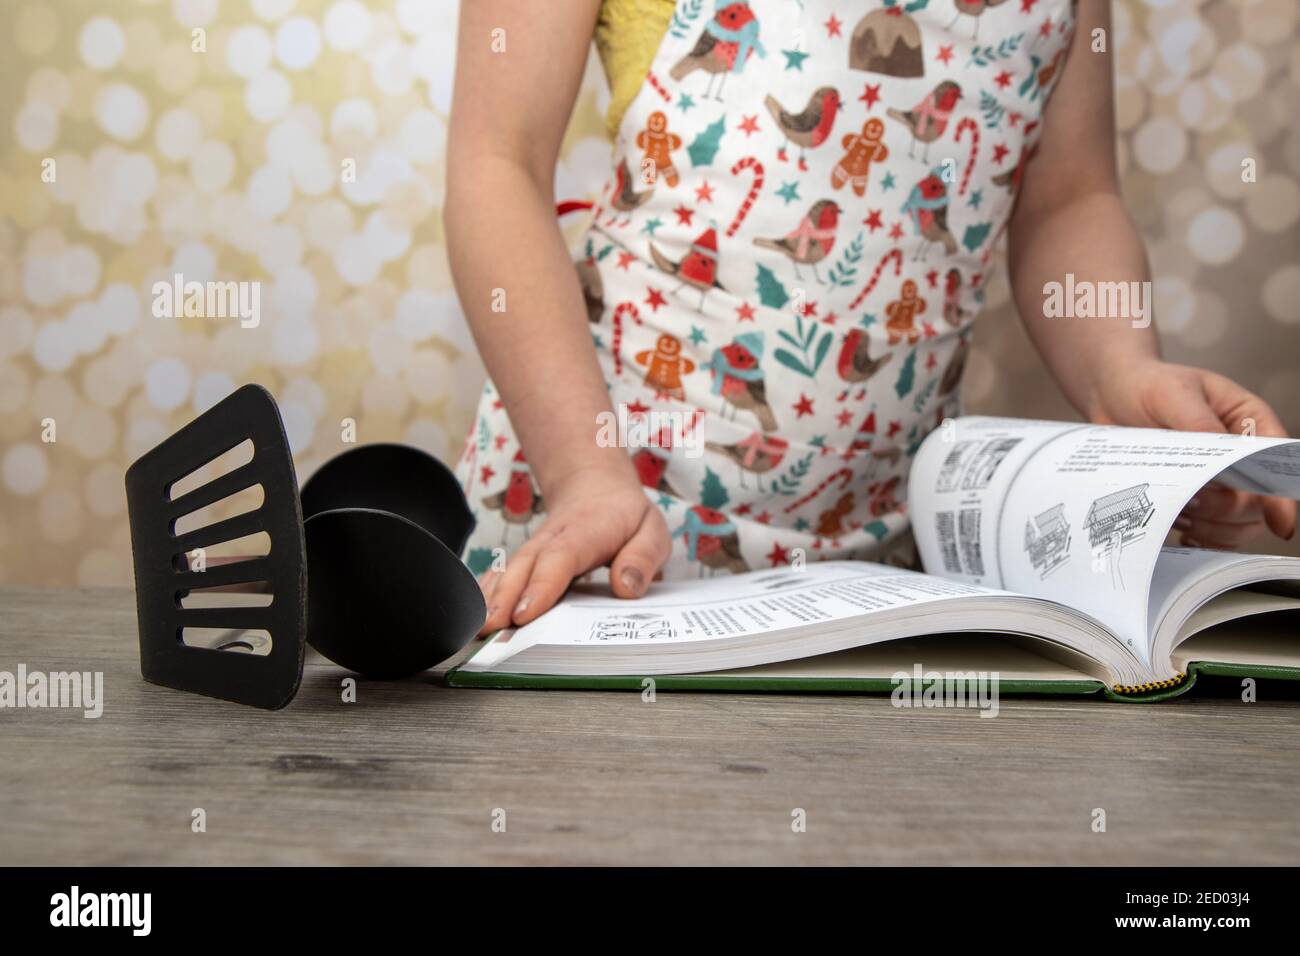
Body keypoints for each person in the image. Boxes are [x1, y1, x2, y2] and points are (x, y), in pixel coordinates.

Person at [444, 0, 1294, 636]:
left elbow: (1070, 198)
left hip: (884, 573)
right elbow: (497, 161)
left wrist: (1123, 370)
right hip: (598, 518)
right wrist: (586, 473)